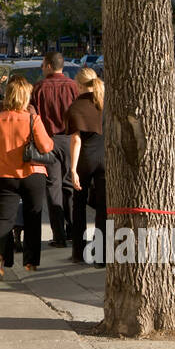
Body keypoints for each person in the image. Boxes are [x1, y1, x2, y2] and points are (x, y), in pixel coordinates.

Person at [0, 75, 53, 278]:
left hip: (3, 174)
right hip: (32, 173)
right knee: (33, 216)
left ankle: (0, 259)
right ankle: (30, 262)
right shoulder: (33, 119)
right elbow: (47, 146)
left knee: (3, 219)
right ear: (25, 97)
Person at [32, 52, 81, 247]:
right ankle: (72, 229)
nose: (42, 68)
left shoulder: (39, 88)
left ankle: (59, 235)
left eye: (43, 65)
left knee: (53, 187)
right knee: (70, 185)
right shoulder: (73, 87)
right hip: (70, 139)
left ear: (50, 66)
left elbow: (33, 115)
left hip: (48, 140)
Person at [66, 68, 107, 265]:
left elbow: (76, 140)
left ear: (80, 85)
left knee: (79, 205)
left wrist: (73, 169)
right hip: (106, 159)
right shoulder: (106, 103)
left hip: (85, 160)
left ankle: (78, 252)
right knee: (103, 208)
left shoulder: (75, 107)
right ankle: (101, 255)